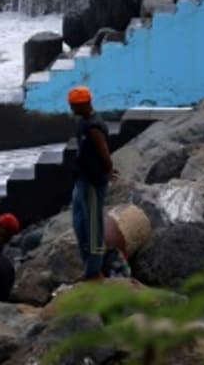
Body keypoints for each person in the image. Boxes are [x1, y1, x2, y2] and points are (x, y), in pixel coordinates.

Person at [68, 85, 117, 280]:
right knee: (80, 222)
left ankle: (93, 271)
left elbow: (104, 153)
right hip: (82, 179)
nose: (72, 109)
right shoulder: (85, 122)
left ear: (84, 104)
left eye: (74, 106)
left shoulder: (93, 127)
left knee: (93, 226)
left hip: (92, 182)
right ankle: (88, 265)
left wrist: (108, 171)